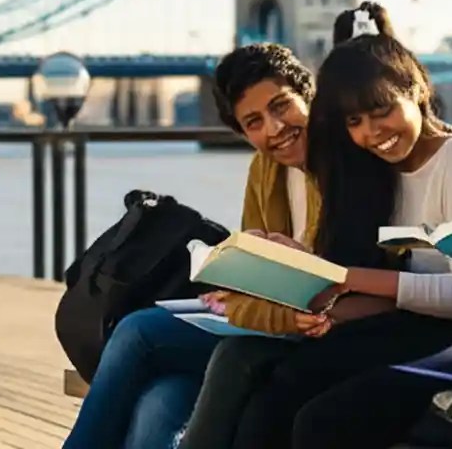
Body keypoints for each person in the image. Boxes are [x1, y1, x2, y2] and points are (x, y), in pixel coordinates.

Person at [179, 2, 452, 449]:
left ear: (415, 89)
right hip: (410, 325)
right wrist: (298, 273)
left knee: (318, 417)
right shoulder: (376, 168)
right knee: (275, 383)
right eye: (355, 121)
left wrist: (341, 278)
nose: (372, 132)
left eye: (381, 111)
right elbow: (366, 280)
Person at [63, 42, 321, 449]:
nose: (273, 128)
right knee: (161, 399)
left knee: (137, 332)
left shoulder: (341, 166)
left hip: (310, 337)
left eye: (281, 106)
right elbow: (257, 280)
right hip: (265, 327)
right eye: (254, 122)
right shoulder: (265, 171)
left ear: (308, 95)